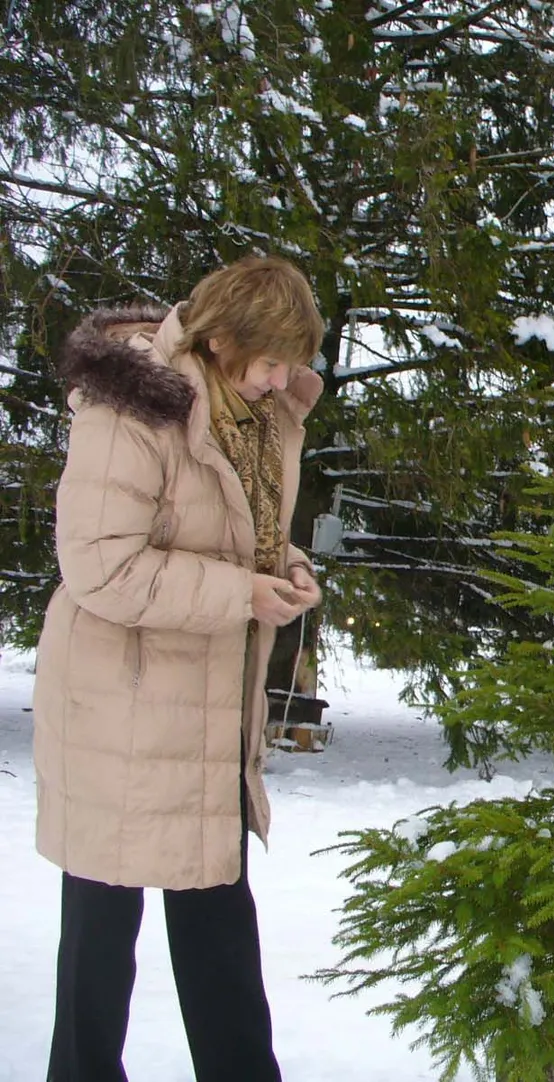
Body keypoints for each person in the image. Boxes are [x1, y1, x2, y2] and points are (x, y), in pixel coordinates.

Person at [33, 256, 326, 1082]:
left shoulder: (253, 414)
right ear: (222, 339)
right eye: (271, 362)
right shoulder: (129, 410)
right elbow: (100, 566)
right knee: (99, 938)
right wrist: (241, 593)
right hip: (116, 708)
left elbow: (235, 537)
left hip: (201, 713)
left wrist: (287, 568)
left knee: (220, 934)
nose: (281, 381)